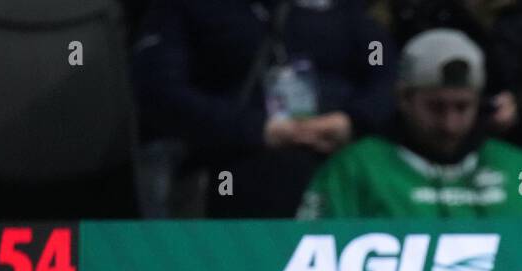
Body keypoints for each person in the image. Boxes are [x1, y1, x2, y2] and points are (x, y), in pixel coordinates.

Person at [132, 0, 396, 217]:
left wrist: (352, 120)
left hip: (339, 158)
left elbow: (383, 70)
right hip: (232, 165)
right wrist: (257, 129)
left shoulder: (341, 10)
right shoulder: (185, 9)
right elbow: (159, 92)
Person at [297, 28, 522, 218]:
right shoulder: (354, 170)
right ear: (404, 98)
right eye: (436, 107)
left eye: (462, 106)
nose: (450, 124)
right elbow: (309, 256)